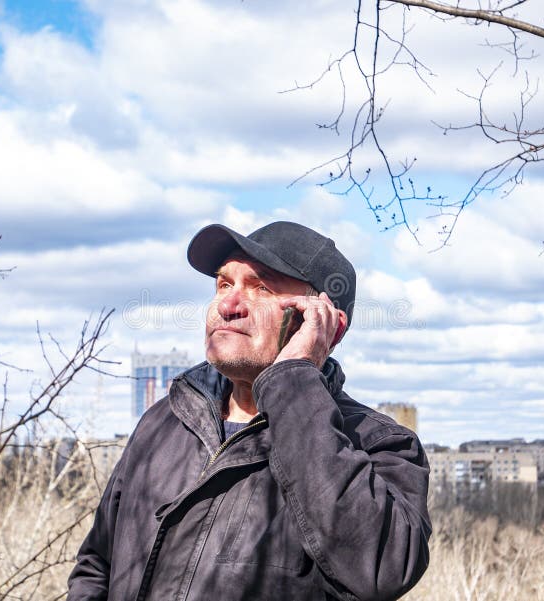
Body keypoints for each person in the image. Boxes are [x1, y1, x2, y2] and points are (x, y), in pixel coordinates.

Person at [67, 221, 431, 601]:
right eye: (224, 284)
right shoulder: (163, 422)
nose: (227, 305)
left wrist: (294, 379)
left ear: (325, 325)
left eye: (261, 288)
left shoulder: (379, 445)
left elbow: (381, 569)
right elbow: (96, 564)